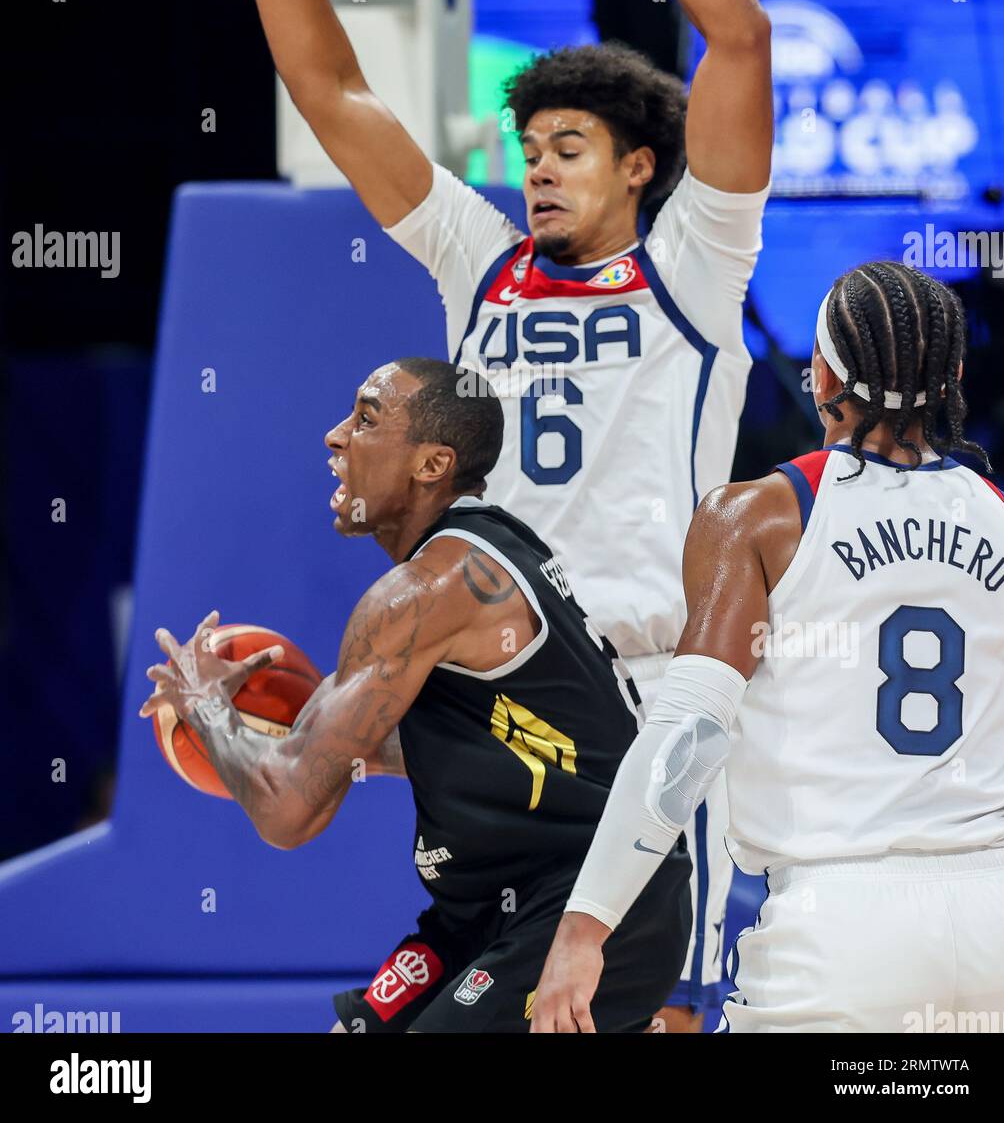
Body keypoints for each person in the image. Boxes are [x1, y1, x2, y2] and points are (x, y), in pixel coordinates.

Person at [215, 0, 772, 1027]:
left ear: (642, 165)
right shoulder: (481, 266)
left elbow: (736, 35)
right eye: (527, 151)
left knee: (653, 1016)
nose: (537, 171)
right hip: (496, 684)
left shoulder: (693, 264)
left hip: (642, 692)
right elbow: (330, 88)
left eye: (568, 149)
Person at [529, 261, 1004, 1033]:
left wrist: (585, 924)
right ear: (953, 376)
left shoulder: (757, 515)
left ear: (820, 372)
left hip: (841, 928)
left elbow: (687, 735)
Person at [139, 358, 689, 1034]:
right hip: (485, 908)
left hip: (587, 900)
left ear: (431, 464)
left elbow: (287, 815)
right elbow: (506, 736)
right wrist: (333, 743)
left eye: (366, 419)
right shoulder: (483, 550)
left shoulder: (431, 588)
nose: (335, 437)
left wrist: (206, 708)